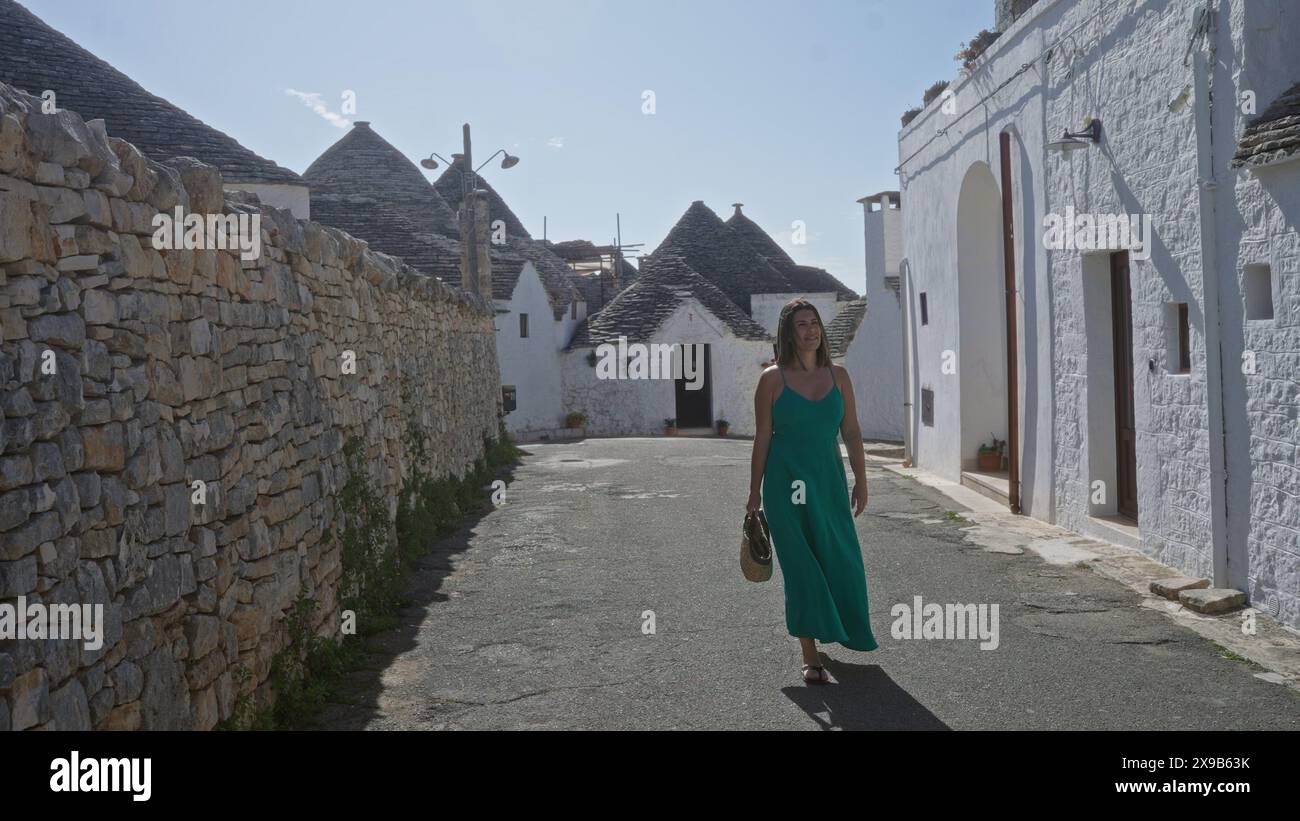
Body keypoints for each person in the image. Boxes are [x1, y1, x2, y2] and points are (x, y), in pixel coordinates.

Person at [746, 298, 879, 684]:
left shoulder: (839, 375)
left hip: (829, 483)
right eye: (802, 324)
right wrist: (754, 493)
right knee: (802, 567)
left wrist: (862, 479)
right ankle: (809, 654)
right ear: (789, 333)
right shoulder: (772, 379)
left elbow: (851, 431)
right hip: (786, 485)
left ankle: (840, 628)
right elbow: (762, 438)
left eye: (815, 322)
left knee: (842, 560)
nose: (811, 330)